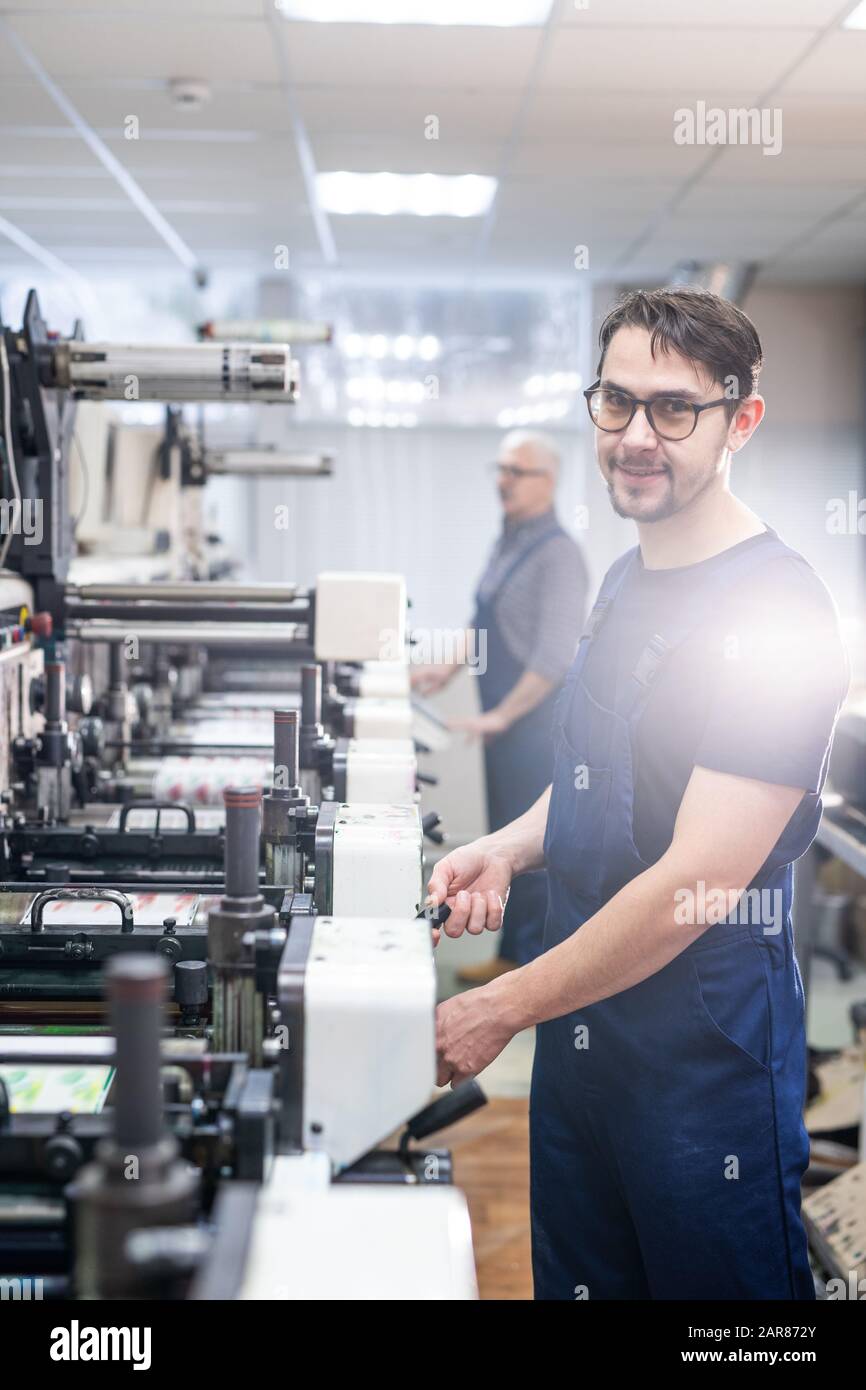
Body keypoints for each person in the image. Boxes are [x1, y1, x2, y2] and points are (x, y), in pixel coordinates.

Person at [427, 287, 850, 1300]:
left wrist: (499, 1005)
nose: (633, 435)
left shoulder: (777, 615)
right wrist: (512, 844)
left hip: (697, 1064)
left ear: (739, 418)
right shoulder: (623, 580)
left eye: (672, 408)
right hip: (584, 1043)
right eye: (614, 402)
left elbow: (693, 880)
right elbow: (595, 774)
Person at [413, 429, 588, 977]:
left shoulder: (559, 554)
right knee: (504, 834)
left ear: (549, 481)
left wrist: (501, 715)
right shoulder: (508, 539)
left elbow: (554, 656)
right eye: (501, 469)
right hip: (509, 728)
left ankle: (529, 964)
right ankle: (511, 953)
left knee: (532, 846)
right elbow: (482, 618)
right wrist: (447, 667)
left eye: (517, 471)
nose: (503, 481)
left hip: (539, 726)